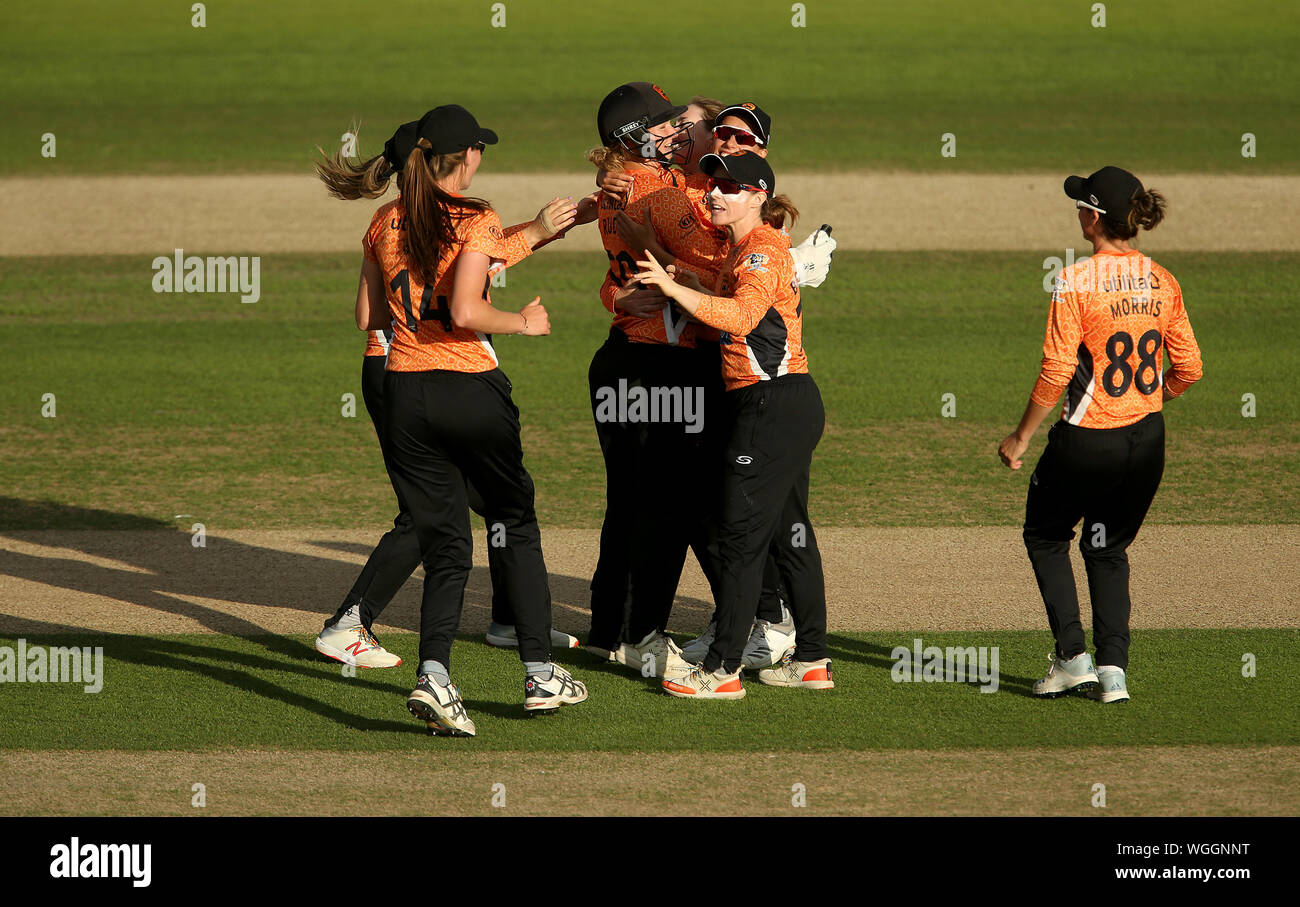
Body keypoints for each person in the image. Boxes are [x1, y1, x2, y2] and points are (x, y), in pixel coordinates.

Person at [325, 105, 592, 735]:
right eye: (478, 150)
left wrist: (530, 236)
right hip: (470, 387)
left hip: (405, 391)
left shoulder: (385, 220)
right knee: (514, 521)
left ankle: (436, 678)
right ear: (465, 158)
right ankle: (540, 675)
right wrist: (523, 322)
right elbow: (469, 310)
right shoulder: (476, 217)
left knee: (446, 542)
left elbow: (369, 314)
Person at [605, 98, 835, 669]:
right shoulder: (741, 236)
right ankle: (808, 658)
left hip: (768, 398)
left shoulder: (759, 242)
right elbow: (711, 277)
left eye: (739, 139)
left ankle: (730, 660)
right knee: (780, 527)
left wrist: (667, 275)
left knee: (741, 527)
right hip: (761, 395)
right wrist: (647, 255)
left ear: (759, 182)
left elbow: (738, 313)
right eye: (721, 135)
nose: (718, 183)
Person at [998, 166, 1203, 704]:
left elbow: (1056, 372)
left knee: (1045, 535)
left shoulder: (1075, 280)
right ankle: (1114, 672)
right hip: (1147, 440)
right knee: (1107, 548)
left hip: (1087, 439)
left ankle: (1072, 660)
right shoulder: (1162, 280)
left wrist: (1020, 438)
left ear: (1093, 217)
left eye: (1080, 206)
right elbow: (1189, 367)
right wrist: (1148, 400)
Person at [583, 82, 719, 679]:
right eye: (663, 124)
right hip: (664, 362)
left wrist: (613, 294)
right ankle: (647, 638)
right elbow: (715, 276)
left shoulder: (623, 188)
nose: (675, 132)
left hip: (620, 361)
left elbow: (626, 271)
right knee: (667, 507)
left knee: (626, 503)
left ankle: (606, 630)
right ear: (638, 137)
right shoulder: (661, 194)